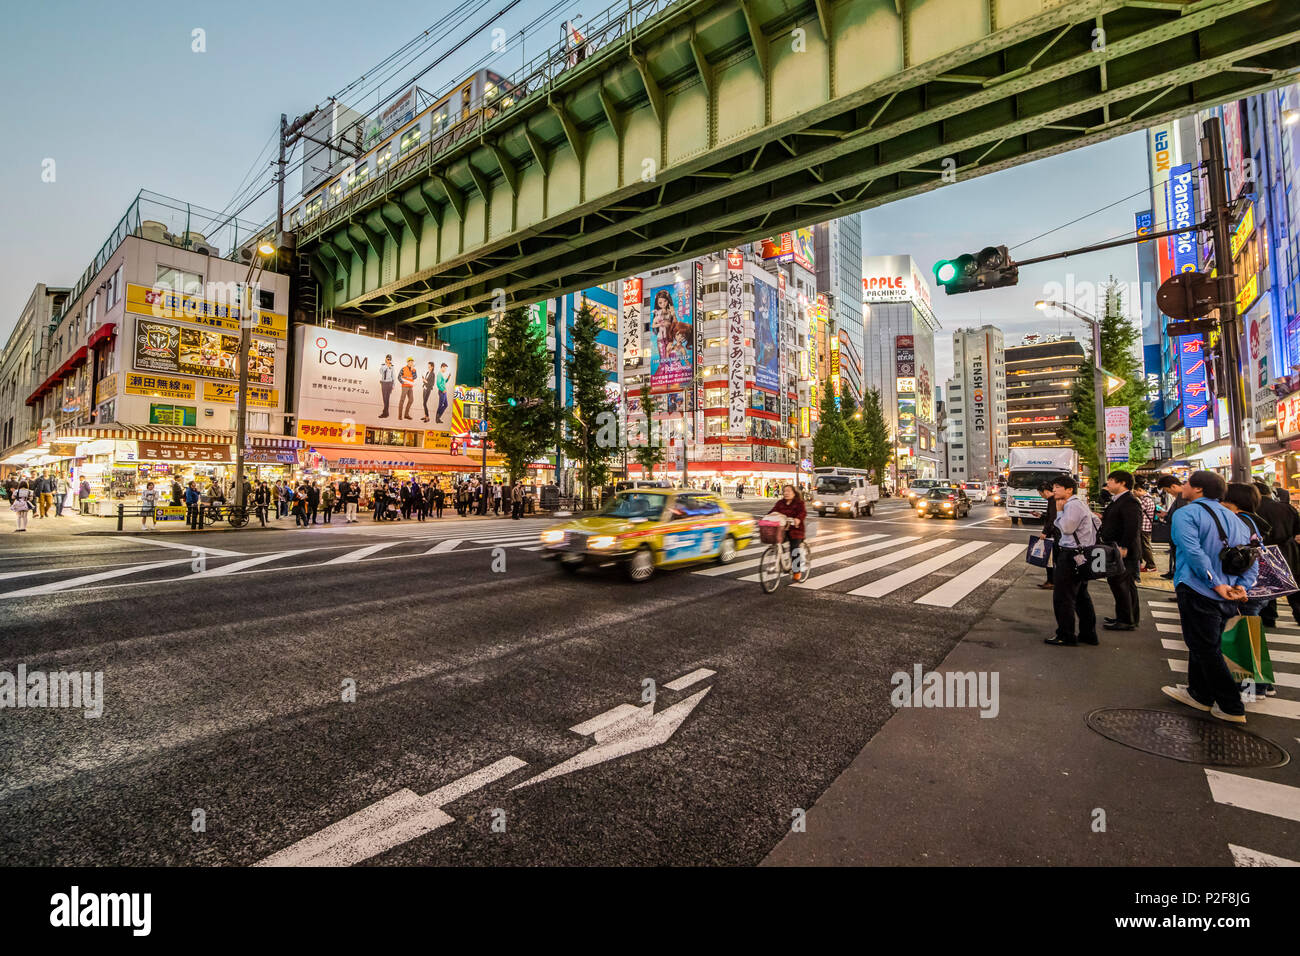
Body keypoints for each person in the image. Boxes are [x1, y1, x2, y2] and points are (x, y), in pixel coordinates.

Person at [1162, 470, 1257, 723]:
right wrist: (1242, 586)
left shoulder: (1186, 513)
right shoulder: (1237, 519)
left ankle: (1231, 705)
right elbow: (1252, 557)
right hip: (1229, 590)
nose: (1183, 485)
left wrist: (1214, 583)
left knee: (1205, 647)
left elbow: (1192, 552)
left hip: (1198, 587)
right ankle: (1199, 694)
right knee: (1202, 643)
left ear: (1199, 489)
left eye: (1187, 482)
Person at [1045, 475, 1099, 647]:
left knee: (1063, 597)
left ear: (1069, 490)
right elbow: (1097, 520)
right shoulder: (1079, 503)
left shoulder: (1071, 505)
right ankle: (1088, 634)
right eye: (1054, 487)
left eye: (1058, 487)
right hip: (1081, 553)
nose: (1054, 490)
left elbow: (1067, 528)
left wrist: (1060, 512)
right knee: (1081, 596)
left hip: (1071, 554)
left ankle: (1066, 634)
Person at [1251, 478, 1300, 627]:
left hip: (1264, 551)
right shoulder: (1287, 508)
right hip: (1289, 551)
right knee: (1294, 584)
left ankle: (1269, 617)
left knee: (1267, 585)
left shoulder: (1253, 511)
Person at [1098, 469, 1142, 631]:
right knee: (1123, 584)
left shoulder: (1129, 501)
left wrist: (1123, 546)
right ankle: (1127, 617)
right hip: (1117, 548)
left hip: (1123, 551)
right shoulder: (1119, 500)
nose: (1107, 483)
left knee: (1121, 584)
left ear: (1122, 483)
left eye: (1111, 480)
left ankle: (1126, 619)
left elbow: (1132, 527)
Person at [766, 483, 808, 581]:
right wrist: (767, 517)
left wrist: (798, 519)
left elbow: (803, 513)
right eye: (785, 491)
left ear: (794, 493)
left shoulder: (799, 503)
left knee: (794, 549)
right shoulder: (780, 503)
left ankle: (797, 571)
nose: (786, 493)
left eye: (789, 491)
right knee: (776, 541)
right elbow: (773, 511)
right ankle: (780, 558)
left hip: (796, 530)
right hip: (782, 529)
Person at [1156, 474, 1186, 579]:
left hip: (1180, 535)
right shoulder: (1180, 498)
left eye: (1168, 491)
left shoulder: (1183, 498)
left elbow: (1179, 517)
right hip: (1177, 535)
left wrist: (1167, 516)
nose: (1169, 493)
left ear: (1173, 486)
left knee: (1180, 560)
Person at [1133, 476, 1158, 572]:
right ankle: (1149, 564)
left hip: (1144, 526)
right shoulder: (1149, 498)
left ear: (1139, 490)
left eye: (1135, 492)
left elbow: (1137, 512)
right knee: (1144, 545)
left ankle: (1151, 565)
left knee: (1145, 546)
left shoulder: (1145, 500)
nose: (1134, 494)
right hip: (1146, 526)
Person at [1037, 483, 1056, 590]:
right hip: (1053, 534)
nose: (1041, 496)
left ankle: (1051, 581)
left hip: (1052, 535)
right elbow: (1050, 517)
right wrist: (1042, 515)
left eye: (1040, 493)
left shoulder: (1053, 501)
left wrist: (1045, 532)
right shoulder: (1052, 501)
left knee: (1050, 560)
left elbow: (1052, 519)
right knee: (1050, 560)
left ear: (1045, 491)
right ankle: (1051, 581)